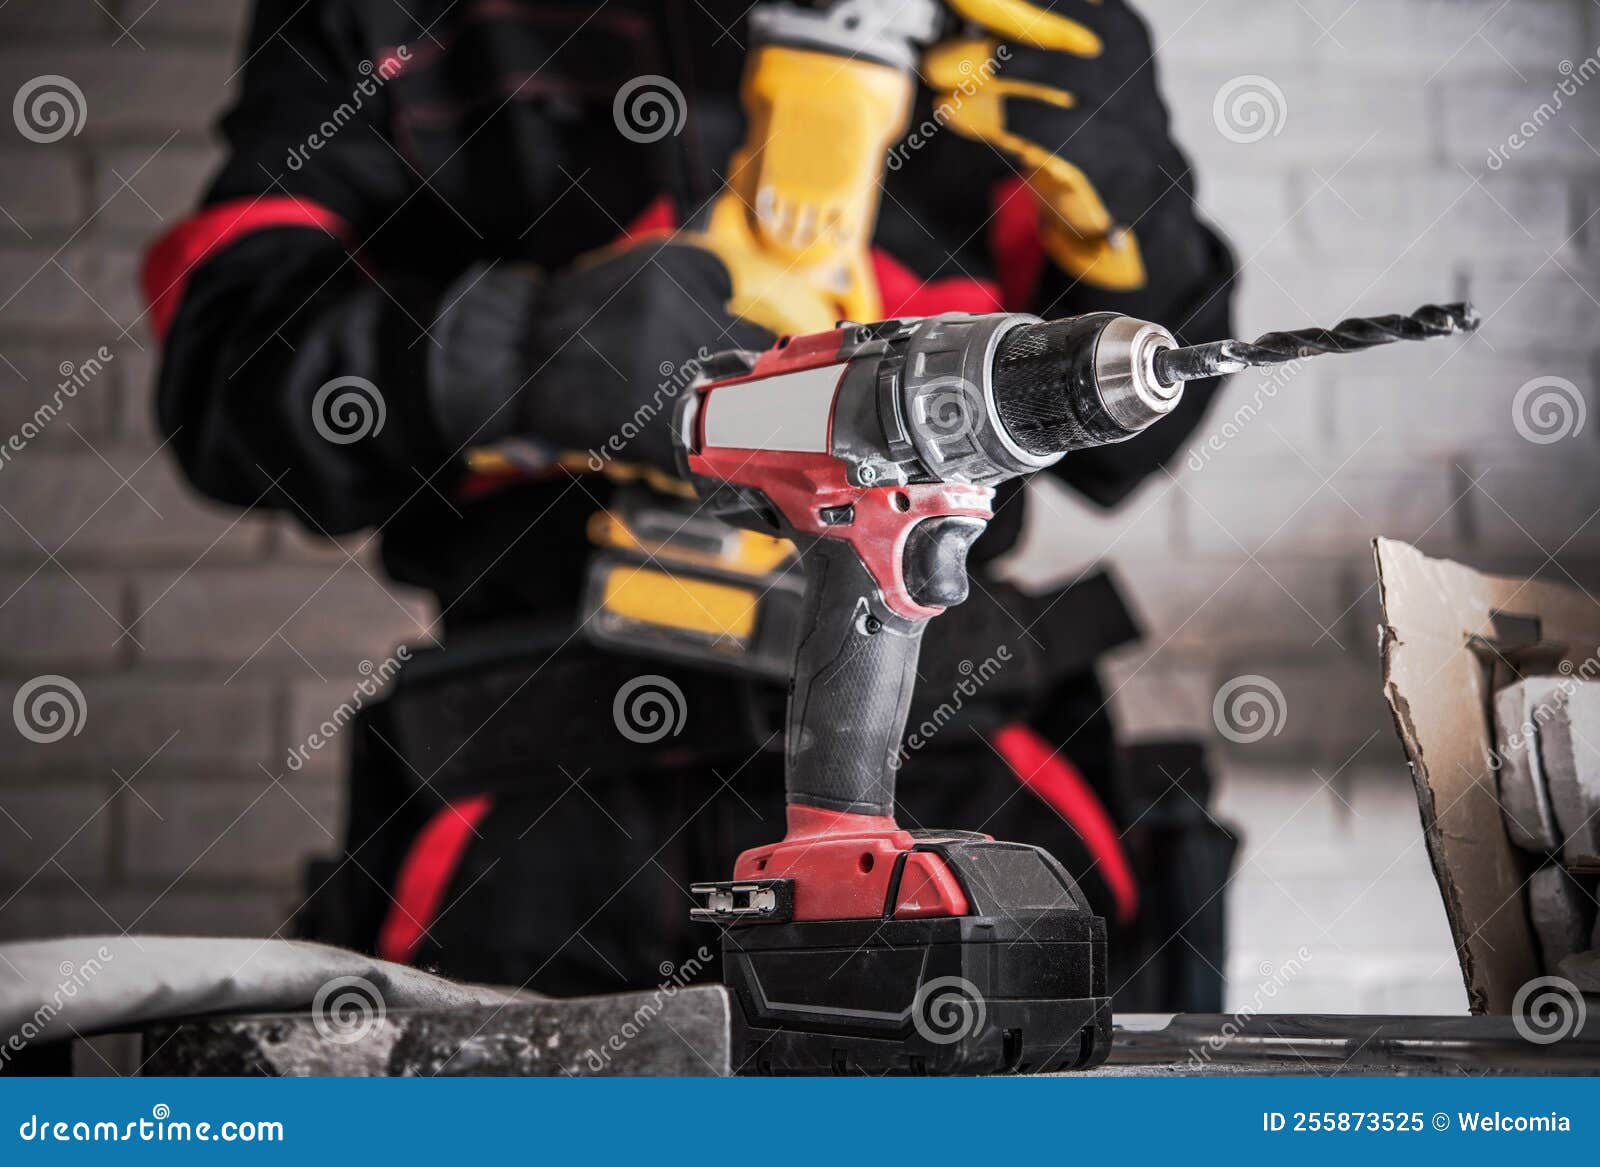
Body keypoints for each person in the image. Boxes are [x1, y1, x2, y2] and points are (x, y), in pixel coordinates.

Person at [145, 0, 1238, 1004]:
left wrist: (1128, 200)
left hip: (954, 758)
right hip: (530, 797)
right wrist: (522, 351)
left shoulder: (1015, 24)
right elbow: (224, 383)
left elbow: (1136, 442)